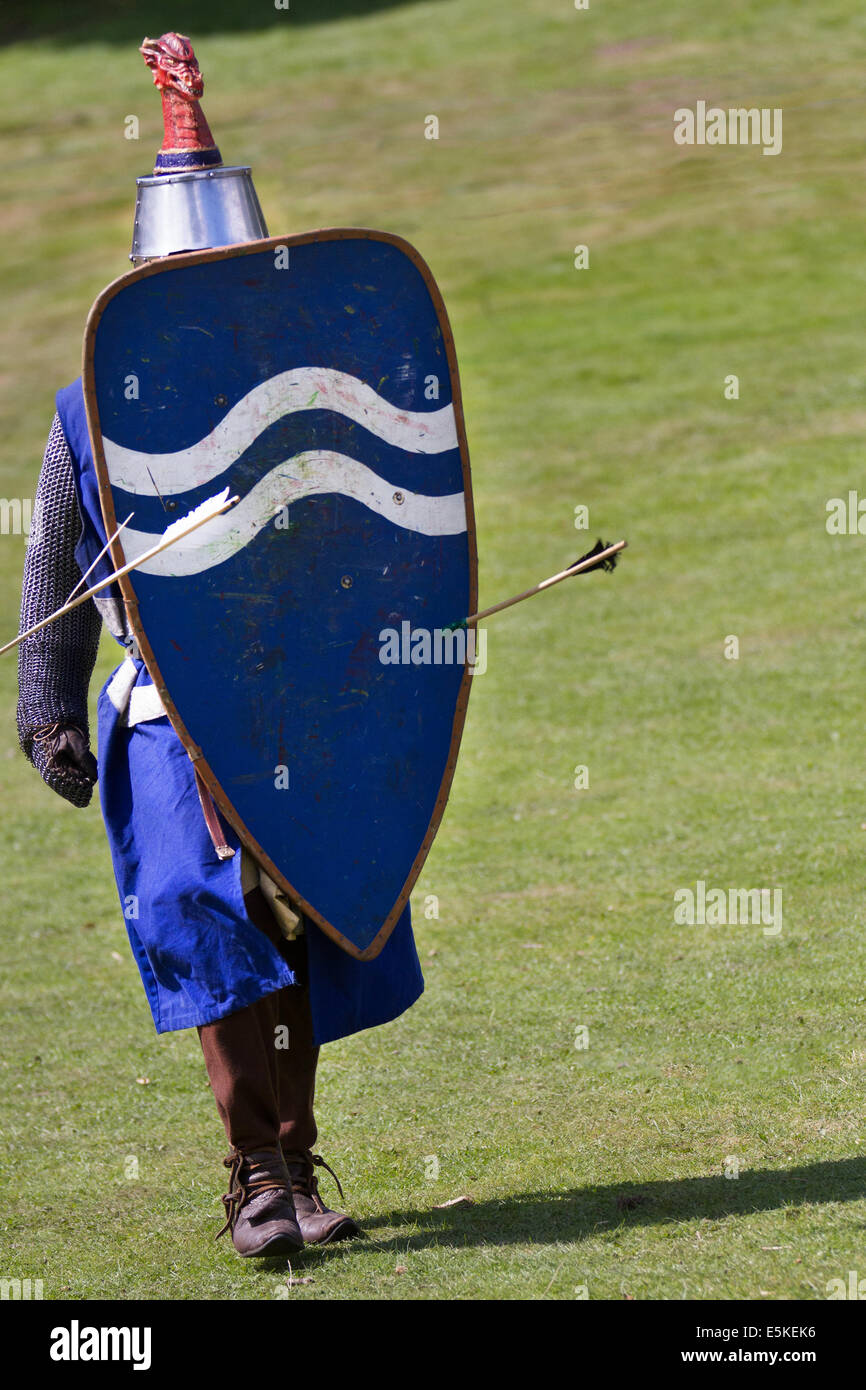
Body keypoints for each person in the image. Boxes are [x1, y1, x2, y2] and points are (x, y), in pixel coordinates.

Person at [16, 31, 425, 1258]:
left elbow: (370, 541)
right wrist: (45, 703)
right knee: (203, 923)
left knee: (297, 922)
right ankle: (252, 1174)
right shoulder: (93, 409)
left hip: (297, 706)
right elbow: (58, 564)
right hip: (162, 705)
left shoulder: (315, 383)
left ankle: (292, 1163)